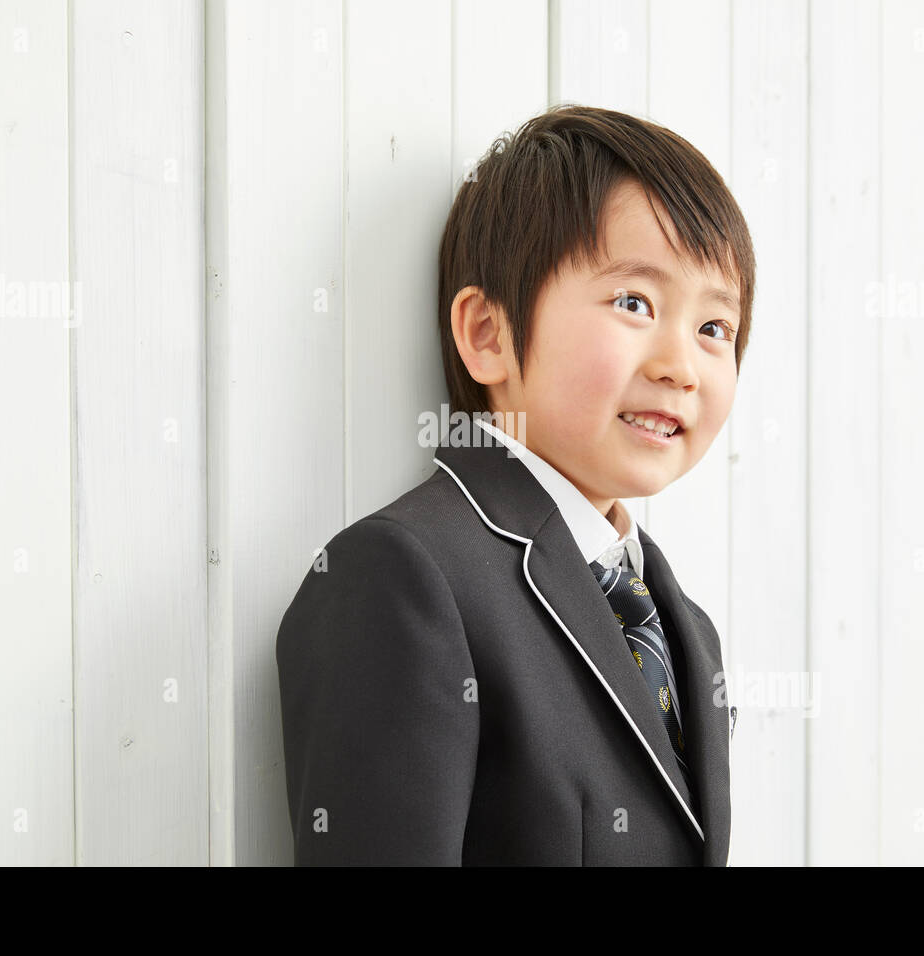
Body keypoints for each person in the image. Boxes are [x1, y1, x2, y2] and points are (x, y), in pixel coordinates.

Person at [275, 104, 754, 865]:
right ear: (488, 334)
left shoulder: (685, 628)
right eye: (635, 303)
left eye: (714, 329)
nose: (681, 366)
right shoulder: (401, 578)